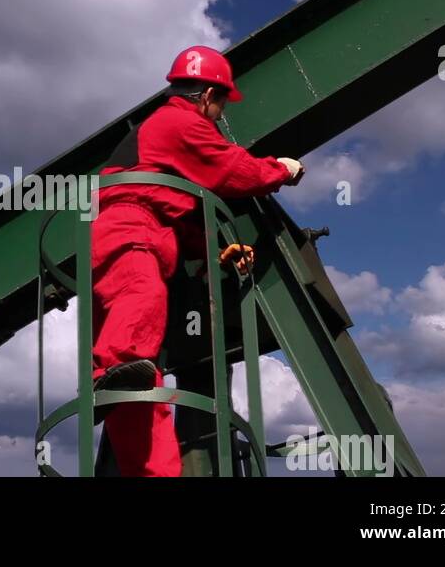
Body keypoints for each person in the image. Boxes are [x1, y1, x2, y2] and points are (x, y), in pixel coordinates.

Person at [91, 45, 305, 477]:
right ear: (208, 94)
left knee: (140, 385)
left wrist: (213, 253)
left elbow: (178, 212)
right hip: (129, 229)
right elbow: (231, 170)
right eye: (221, 104)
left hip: (139, 230)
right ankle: (115, 369)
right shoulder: (180, 121)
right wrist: (280, 170)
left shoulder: (163, 145)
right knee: (140, 304)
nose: (220, 114)